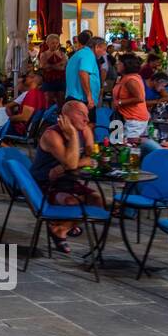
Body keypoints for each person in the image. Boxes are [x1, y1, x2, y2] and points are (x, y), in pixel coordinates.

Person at [31, 99, 103, 252]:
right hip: (46, 184)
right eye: (81, 114)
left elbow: (94, 158)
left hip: (67, 181)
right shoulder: (52, 135)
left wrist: (66, 166)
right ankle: (61, 228)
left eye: (87, 115)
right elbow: (71, 164)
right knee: (72, 202)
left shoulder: (86, 130)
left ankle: (61, 227)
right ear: (65, 117)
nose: (87, 119)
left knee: (97, 201)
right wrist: (73, 135)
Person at [112, 53, 150, 144]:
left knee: (129, 148)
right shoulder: (124, 78)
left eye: (119, 63)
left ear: (126, 65)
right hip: (124, 117)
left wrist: (120, 102)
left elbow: (140, 98)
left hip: (134, 119)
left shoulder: (131, 80)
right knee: (118, 143)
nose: (117, 64)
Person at [64, 32, 104, 114]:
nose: (104, 53)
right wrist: (89, 97)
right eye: (103, 50)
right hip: (81, 99)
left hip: (77, 97)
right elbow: (83, 73)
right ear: (96, 47)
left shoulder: (82, 53)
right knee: (87, 125)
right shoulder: (88, 54)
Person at [39, 33, 67, 105]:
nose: (55, 45)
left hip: (60, 79)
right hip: (48, 80)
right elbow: (43, 66)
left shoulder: (62, 54)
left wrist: (50, 66)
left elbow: (63, 67)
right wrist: (58, 64)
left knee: (61, 101)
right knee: (48, 102)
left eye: (56, 43)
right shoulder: (44, 54)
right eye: (52, 43)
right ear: (47, 43)